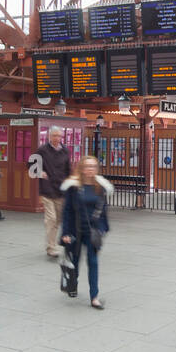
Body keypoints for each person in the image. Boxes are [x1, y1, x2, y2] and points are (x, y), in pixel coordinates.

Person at [59, 155, 113, 309]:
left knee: (93, 262)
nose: (90, 169)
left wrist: (102, 229)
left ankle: (94, 297)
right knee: (74, 262)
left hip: (93, 232)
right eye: (87, 166)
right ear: (82, 168)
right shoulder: (73, 187)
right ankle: (72, 283)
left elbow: (103, 211)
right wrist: (65, 233)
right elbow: (67, 211)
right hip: (75, 230)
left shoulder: (100, 187)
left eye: (93, 166)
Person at [34, 126, 72, 259]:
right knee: (51, 218)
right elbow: (31, 165)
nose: (57, 138)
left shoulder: (65, 150)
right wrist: (40, 172)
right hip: (47, 189)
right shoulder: (42, 150)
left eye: (59, 136)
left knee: (58, 220)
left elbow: (68, 170)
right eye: (54, 135)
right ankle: (51, 247)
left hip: (61, 190)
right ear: (49, 136)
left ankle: (53, 243)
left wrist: (70, 183)